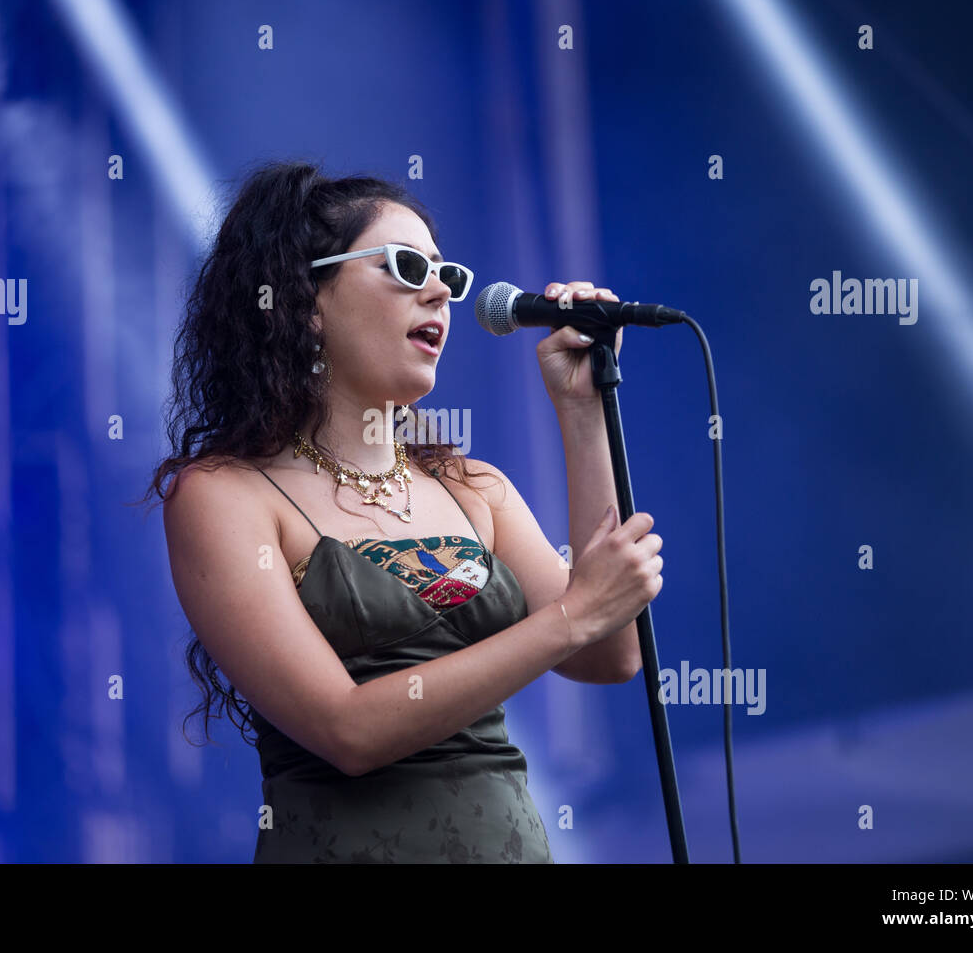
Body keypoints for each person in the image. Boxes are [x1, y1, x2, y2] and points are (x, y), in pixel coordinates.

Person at [144, 160, 664, 863]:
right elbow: (347, 731)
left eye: (447, 277)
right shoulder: (221, 494)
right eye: (406, 265)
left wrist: (581, 409)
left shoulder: (472, 488)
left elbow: (609, 652)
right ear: (306, 301)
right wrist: (571, 615)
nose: (440, 294)